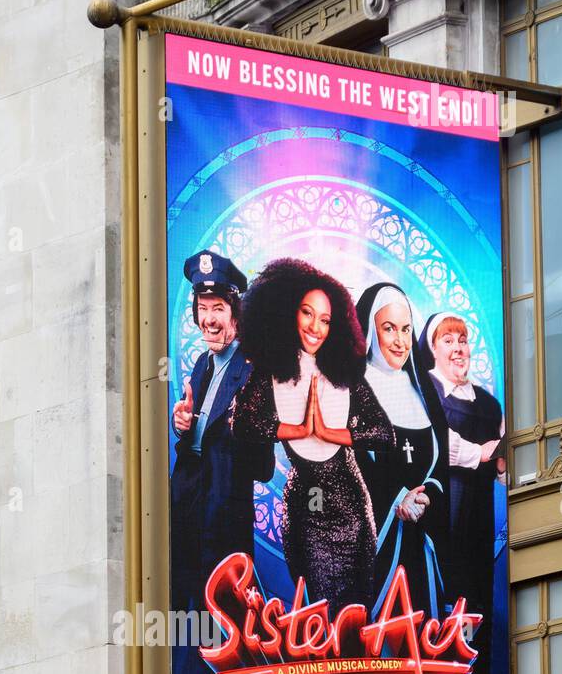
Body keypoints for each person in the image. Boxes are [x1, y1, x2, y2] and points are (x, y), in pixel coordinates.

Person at [233, 258, 384, 614]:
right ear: (287, 312)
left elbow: (382, 432)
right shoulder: (267, 373)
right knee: (325, 614)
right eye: (307, 313)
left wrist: (331, 433)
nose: (316, 327)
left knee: (358, 614)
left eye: (326, 319)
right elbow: (243, 423)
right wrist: (297, 430)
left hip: (354, 507)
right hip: (308, 508)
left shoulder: (344, 373)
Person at [170, 250, 274, 616]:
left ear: (234, 312)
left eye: (218, 309)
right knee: (182, 613)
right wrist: (182, 424)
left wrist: (243, 428)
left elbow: (264, 466)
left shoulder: (256, 370)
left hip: (224, 516)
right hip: (186, 504)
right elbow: (196, 431)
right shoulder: (202, 363)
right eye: (202, 307)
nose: (209, 320)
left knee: (222, 617)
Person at [354, 284, 451, 622]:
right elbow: (351, 463)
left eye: (406, 329)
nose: (399, 340)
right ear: (370, 330)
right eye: (388, 328)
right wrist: (397, 500)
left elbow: (440, 461)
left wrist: (429, 497)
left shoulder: (422, 389)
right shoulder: (354, 387)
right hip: (377, 538)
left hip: (420, 538)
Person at [419, 312, 504, 674]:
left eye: (463, 340)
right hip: (440, 511)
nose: (458, 348)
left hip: (479, 516)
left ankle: (471, 670)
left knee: (476, 593)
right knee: (440, 589)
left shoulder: (488, 403)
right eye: (448, 340)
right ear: (432, 348)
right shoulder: (424, 389)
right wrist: (482, 453)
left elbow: (503, 467)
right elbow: (434, 442)